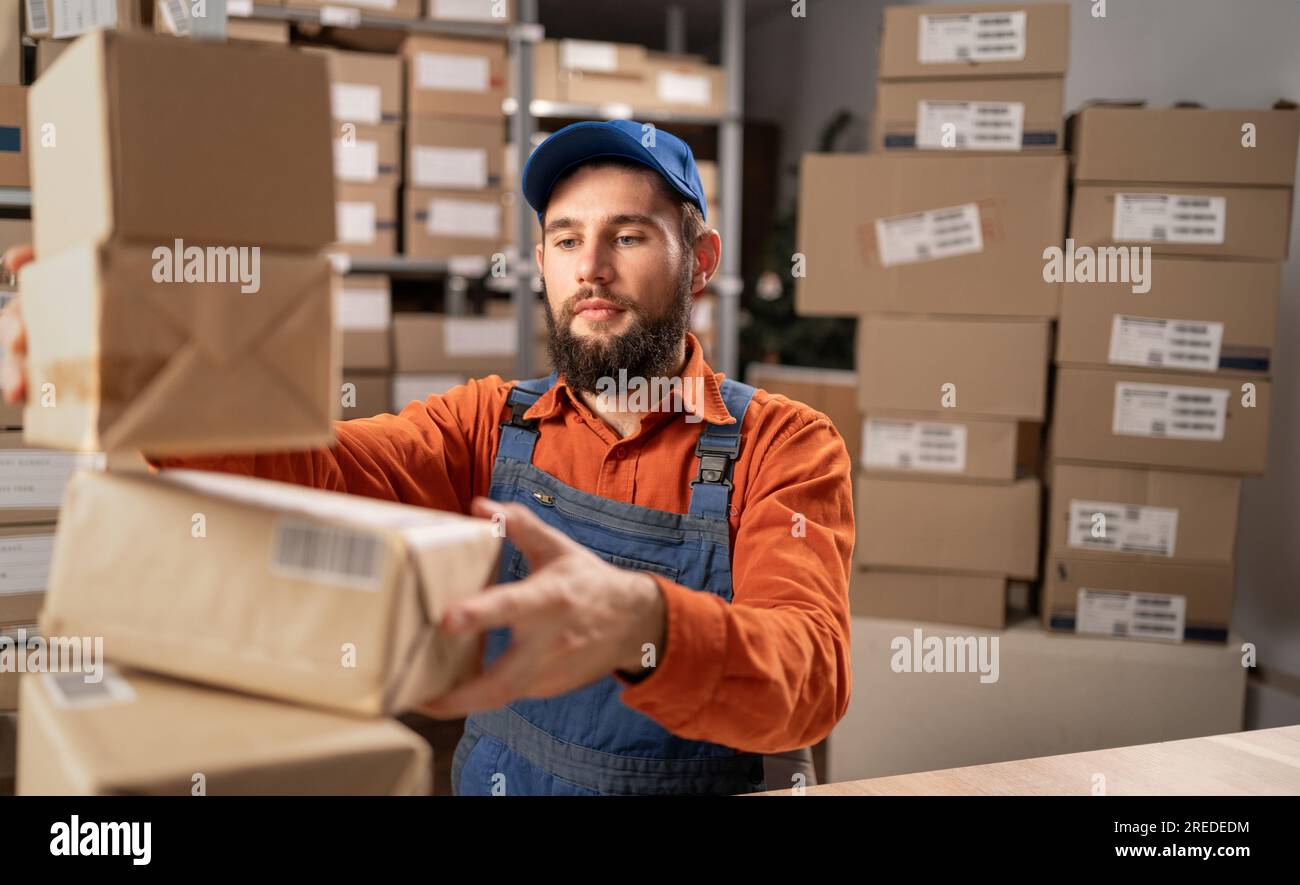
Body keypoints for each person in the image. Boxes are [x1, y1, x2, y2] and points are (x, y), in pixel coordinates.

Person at [0, 120, 854, 796]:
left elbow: (809, 673)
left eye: (627, 236)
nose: (590, 268)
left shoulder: (783, 444)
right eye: (564, 240)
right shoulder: (490, 423)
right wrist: (146, 385)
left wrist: (642, 621)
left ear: (698, 260)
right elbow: (317, 469)